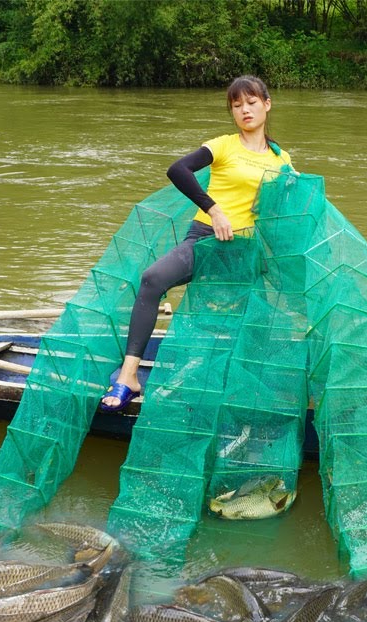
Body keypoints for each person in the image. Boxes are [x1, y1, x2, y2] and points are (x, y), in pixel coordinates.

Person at [101, 75, 293, 412]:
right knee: (152, 279)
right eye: (237, 106)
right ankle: (129, 376)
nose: (244, 110)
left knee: (258, 323)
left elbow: (286, 212)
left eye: (251, 102)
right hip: (205, 239)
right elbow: (178, 170)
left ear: (267, 103)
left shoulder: (282, 162)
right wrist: (214, 209)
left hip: (244, 253)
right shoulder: (223, 145)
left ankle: (251, 393)